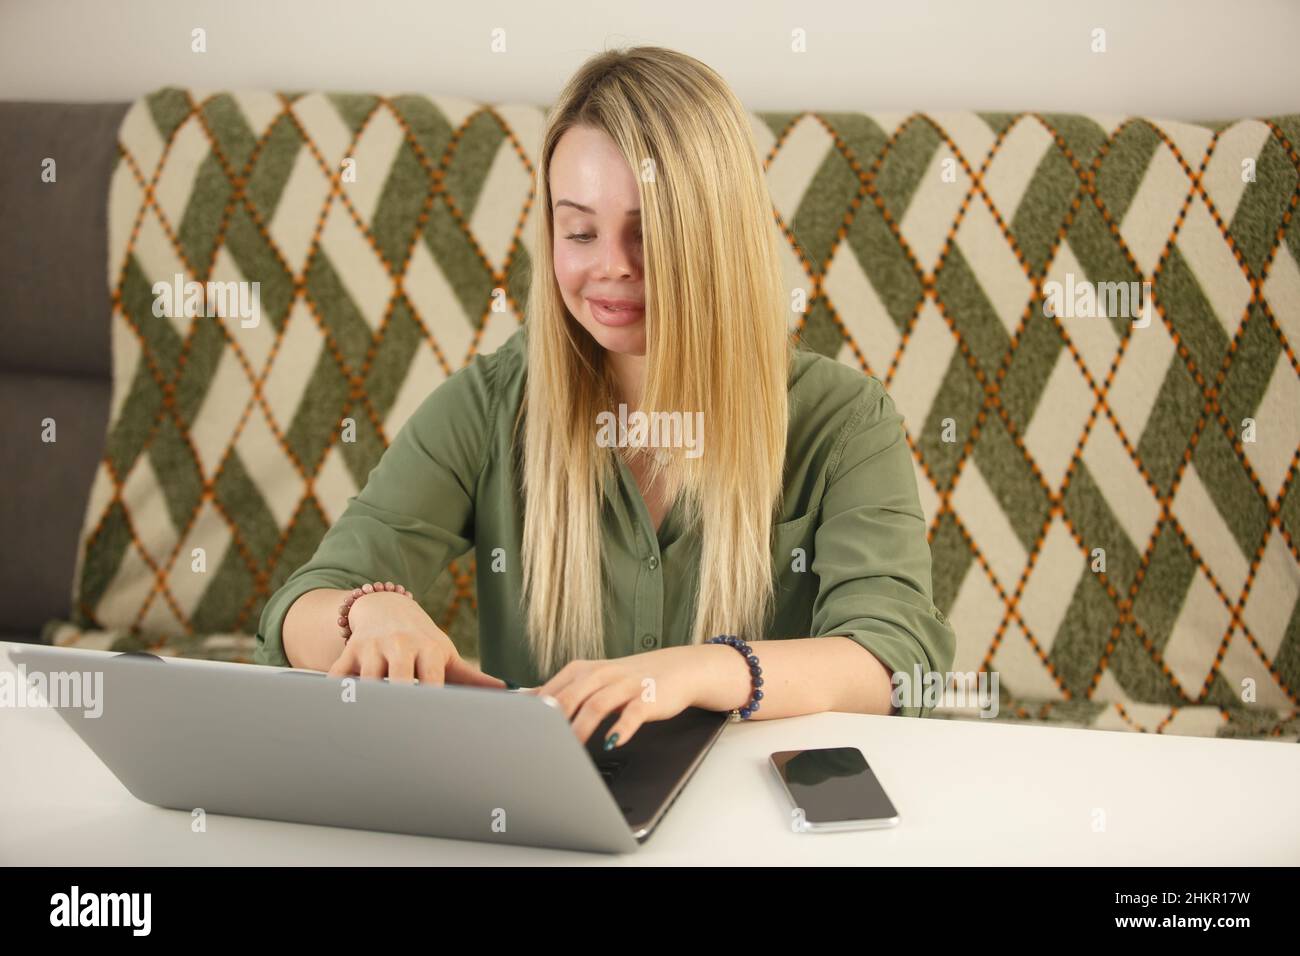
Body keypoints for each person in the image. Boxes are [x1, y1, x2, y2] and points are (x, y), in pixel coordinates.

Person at [255, 45, 956, 751]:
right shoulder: (492, 404)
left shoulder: (845, 422)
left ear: (718, 237)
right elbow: (299, 608)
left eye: (648, 231)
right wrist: (367, 615)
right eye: (580, 231)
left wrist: (696, 671)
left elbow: (896, 660)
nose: (611, 266)